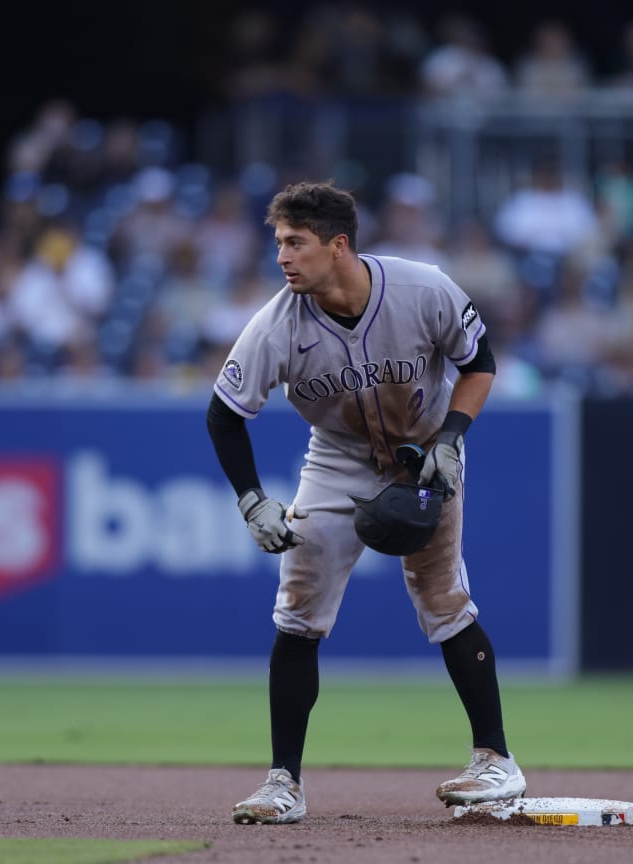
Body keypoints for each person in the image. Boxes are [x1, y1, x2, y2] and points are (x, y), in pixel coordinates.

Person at [206, 180, 525, 825]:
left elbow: (480, 361)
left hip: (425, 448)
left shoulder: (422, 289)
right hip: (338, 457)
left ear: (339, 245)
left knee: (443, 599)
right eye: (278, 243)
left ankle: (497, 759)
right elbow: (224, 415)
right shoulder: (277, 324)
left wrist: (451, 439)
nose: (283, 257)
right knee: (298, 610)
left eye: (296, 243)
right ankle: (282, 782)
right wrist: (251, 501)